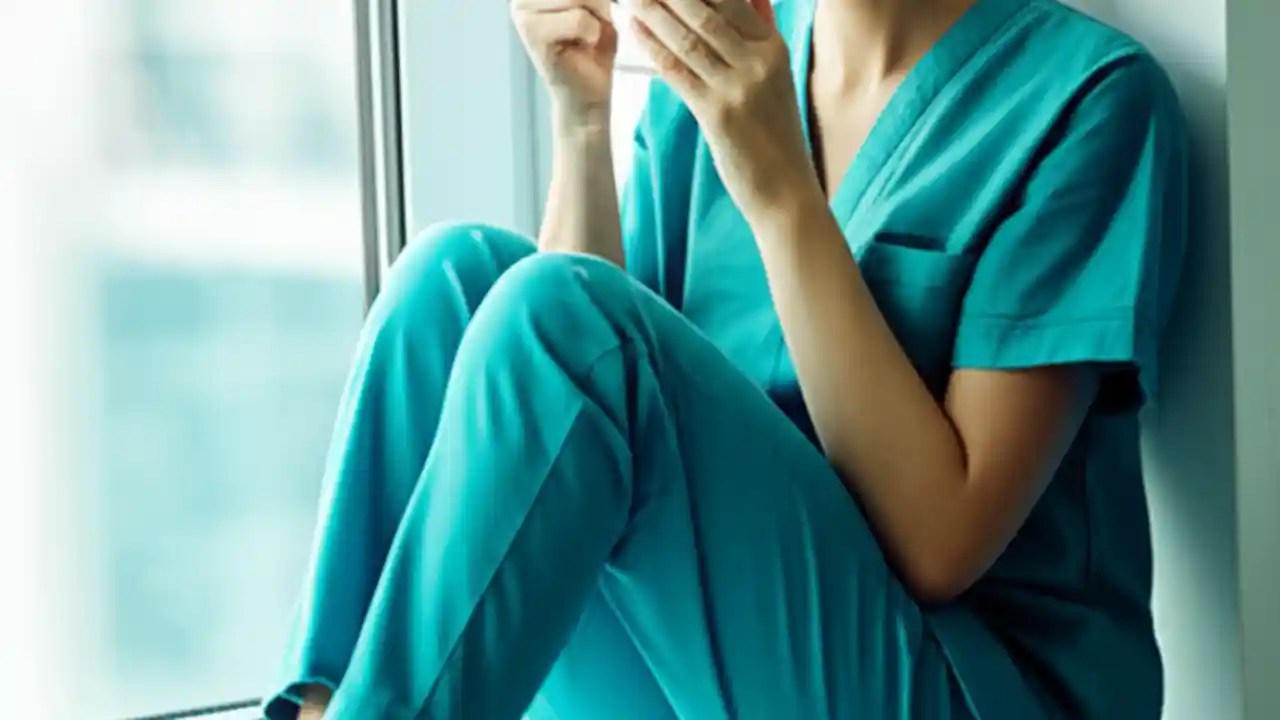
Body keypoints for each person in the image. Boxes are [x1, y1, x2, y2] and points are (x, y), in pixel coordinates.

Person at [263, 0, 1188, 717]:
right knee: (451, 281)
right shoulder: (735, 64)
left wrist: (782, 191)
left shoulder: (1090, 99)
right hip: (722, 673)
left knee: (562, 312)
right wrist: (582, 117)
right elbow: (574, 411)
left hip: (961, 686)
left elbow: (943, 545)